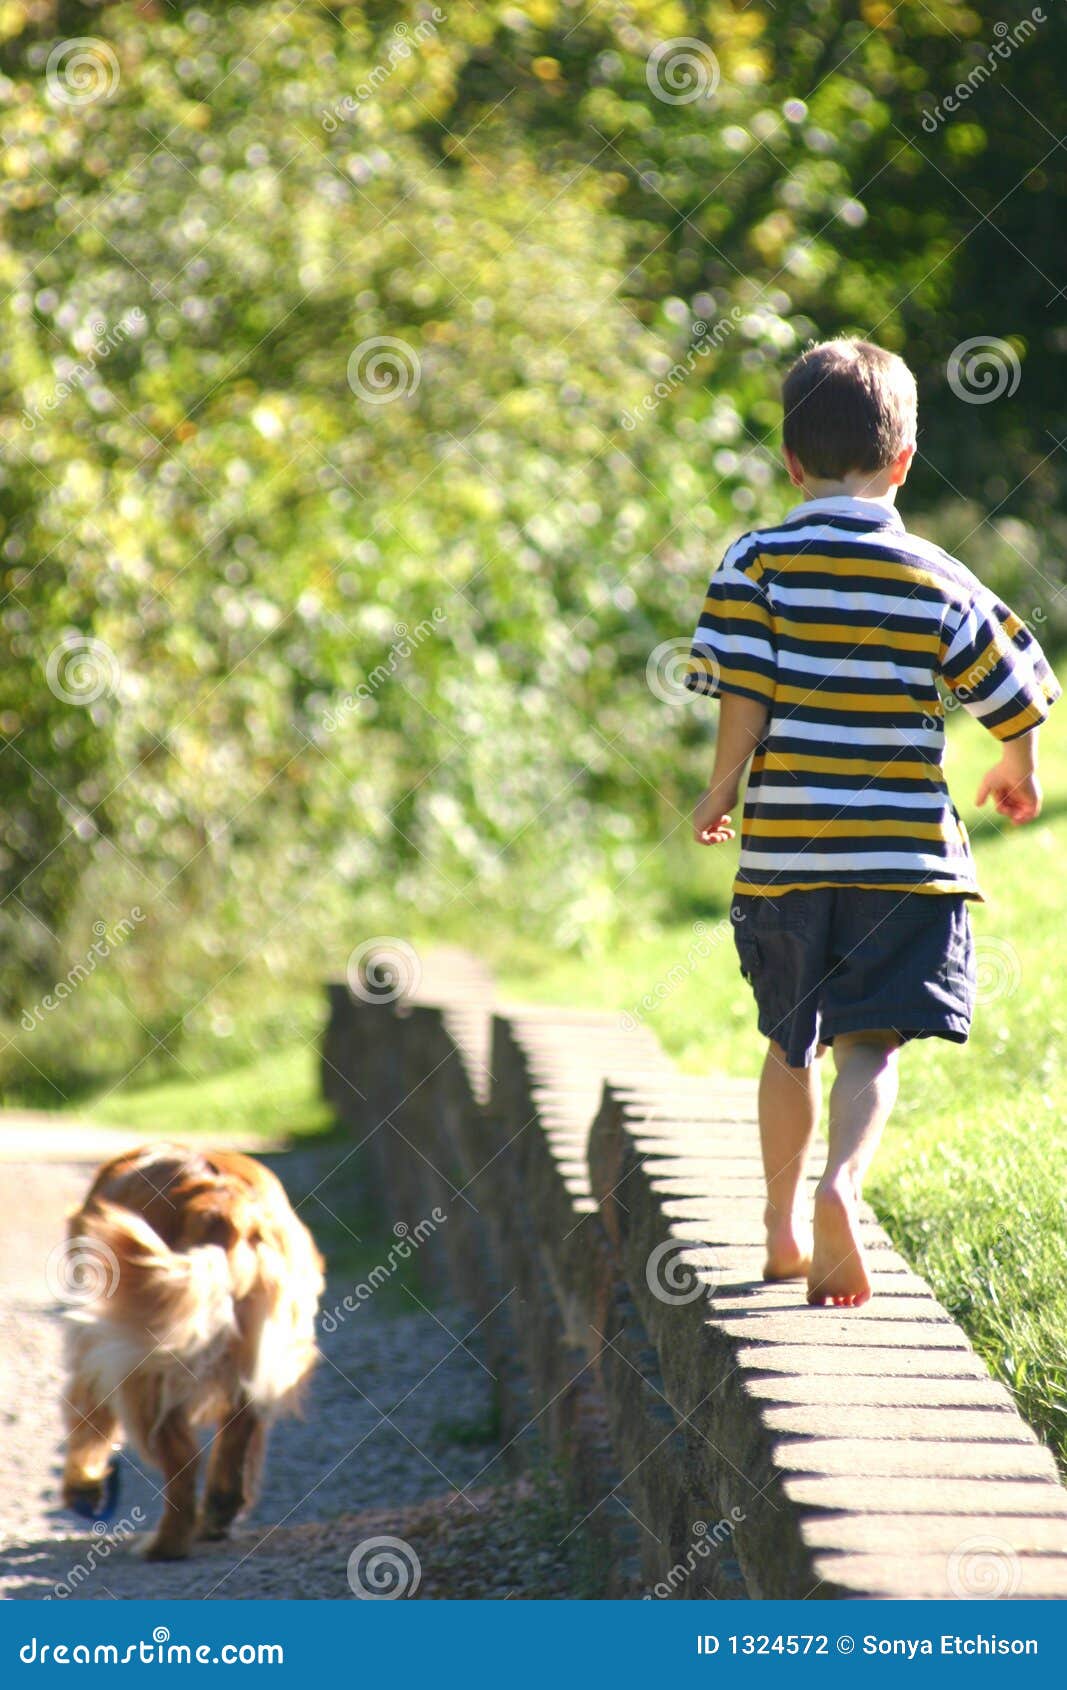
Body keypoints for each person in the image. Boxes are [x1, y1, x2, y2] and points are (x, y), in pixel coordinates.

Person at [685, 338, 1059, 1306]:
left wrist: (721, 786)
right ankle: (839, 1186)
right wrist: (1014, 764)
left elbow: (742, 688)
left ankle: (775, 1232)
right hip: (902, 854)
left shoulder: (756, 560)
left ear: (788, 460)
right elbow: (1010, 683)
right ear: (900, 462)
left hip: (785, 855)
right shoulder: (931, 569)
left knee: (786, 1042)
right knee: (871, 1042)